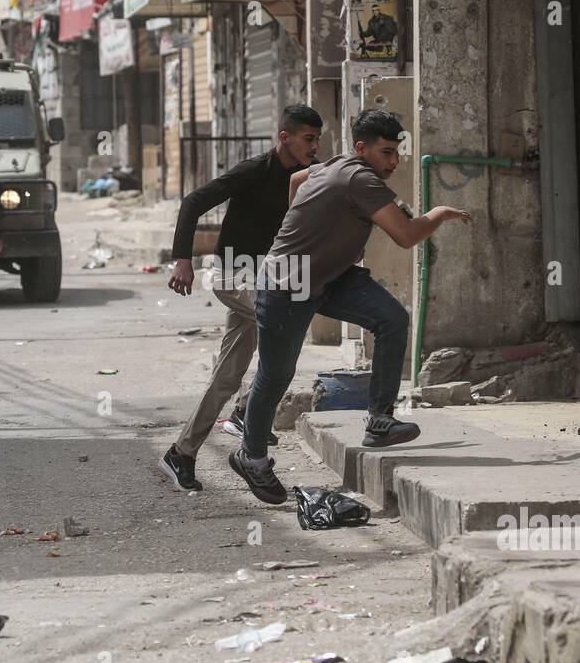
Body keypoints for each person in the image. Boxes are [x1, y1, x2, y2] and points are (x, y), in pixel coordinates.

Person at [229, 109, 472, 505]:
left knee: (392, 318)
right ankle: (251, 456)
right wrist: (440, 213)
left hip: (330, 276)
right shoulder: (361, 179)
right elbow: (407, 235)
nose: (393, 162)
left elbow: (296, 180)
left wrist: (314, 226)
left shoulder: (338, 164)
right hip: (286, 284)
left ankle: (379, 419)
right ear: (362, 148)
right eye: (387, 152)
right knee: (275, 376)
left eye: (398, 153)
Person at [157, 104, 323, 493]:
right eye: (308, 139)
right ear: (285, 138)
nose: (315, 147)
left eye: (318, 140)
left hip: (266, 276)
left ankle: (182, 452)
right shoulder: (254, 170)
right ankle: (247, 413)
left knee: (226, 376)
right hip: (234, 272)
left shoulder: (305, 176)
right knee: (287, 322)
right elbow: (193, 201)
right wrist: (182, 259)